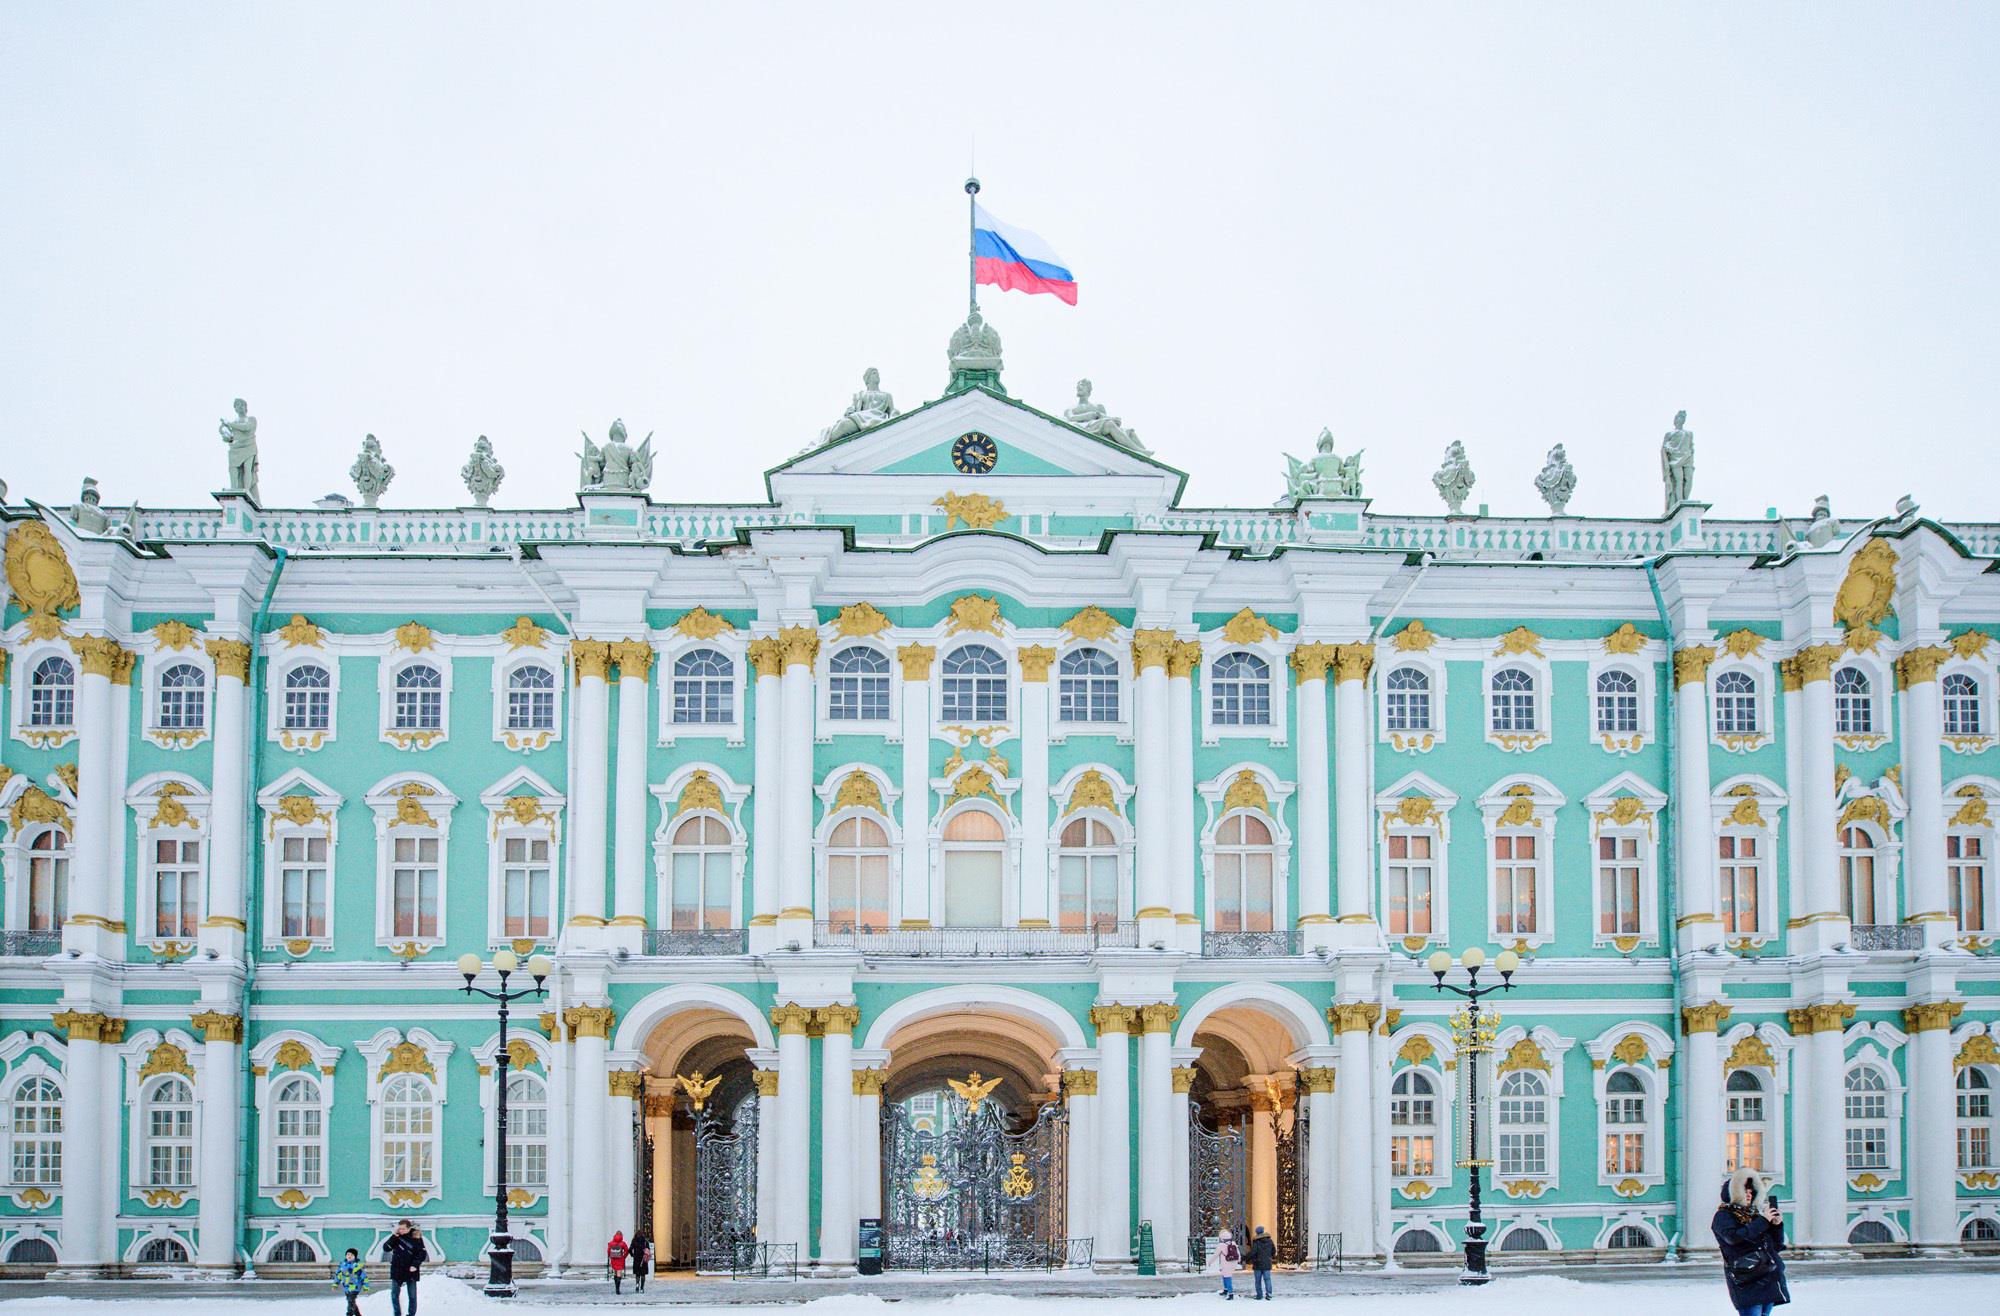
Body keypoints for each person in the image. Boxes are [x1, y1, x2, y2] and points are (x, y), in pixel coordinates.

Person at [1712, 1168, 1789, 1315]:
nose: (1748, 1194)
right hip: (1746, 1278)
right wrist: (1763, 1221)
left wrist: (1776, 1225)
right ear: (1732, 1192)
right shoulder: (1723, 1216)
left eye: (1751, 1191)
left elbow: (1776, 1246)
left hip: (1768, 1276)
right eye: (1744, 1190)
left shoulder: (1755, 1216)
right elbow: (1734, 1239)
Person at [383, 1220, 429, 1316]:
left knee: (412, 1295)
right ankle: (397, 1314)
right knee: (394, 1295)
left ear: (408, 1228)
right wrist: (394, 1236)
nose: (401, 1230)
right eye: (399, 1228)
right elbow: (386, 1248)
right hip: (397, 1269)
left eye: (403, 1229)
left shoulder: (415, 1237)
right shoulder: (396, 1237)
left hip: (411, 1270)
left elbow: (422, 1254)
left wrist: (415, 1265)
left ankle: (411, 1314)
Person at [331, 1247, 368, 1316]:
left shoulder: (358, 1266)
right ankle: (358, 1314)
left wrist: (365, 1287)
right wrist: (335, 1285)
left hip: (355, 1287)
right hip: (346, 1287)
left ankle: (349, 1314)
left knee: (351, 1301)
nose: (349, 1256)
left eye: (351, 1255)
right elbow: (338, 1276)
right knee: (351, 1302)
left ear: (355, 1257)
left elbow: (364, 1277)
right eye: (348, 1254)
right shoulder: (343, 1266)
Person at [1244, 1225, 1275, 1300]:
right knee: (1267, 1279)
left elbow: (1253, 1252)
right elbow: (1274, 1250)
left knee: (1258, 1280)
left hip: (1258, 1263)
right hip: (1267, 1263)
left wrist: (1245, 1258)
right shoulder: (1269, 1240)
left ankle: (1259, 1295)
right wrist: (1270, 1257)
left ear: (1257, 1232)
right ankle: (1269, 1294)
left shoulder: (1256, 1241)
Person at [1215, 1228, 1241, 1299]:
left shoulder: (1221, 1245)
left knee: (1227, 1277)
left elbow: (1215, 1255)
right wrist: (1239, 1260)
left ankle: (1231, 1293)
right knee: (1225, 1276)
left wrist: (1209, 1262)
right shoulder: (1233, 1243)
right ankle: (1226, 1290)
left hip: (1226, 1263)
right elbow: (1238, 1253)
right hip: (1233, 1262)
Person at [628, 1228, 651, 1292]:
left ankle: (637, 1285)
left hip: (636, 1259)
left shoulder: (634, 1241)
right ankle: (642, 1287)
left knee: (637, 1274)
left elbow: (629, 1249)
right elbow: (648, 1250)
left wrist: (633, 1255)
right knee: (643, 1274)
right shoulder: (645, 1242)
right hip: (643, 1260)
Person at [607, 1229, 629, 1294]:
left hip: (613, 1259)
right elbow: (627, 1251)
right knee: (619, 1273)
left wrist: (610, 1256)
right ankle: (618, 1289)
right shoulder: (623, 1243)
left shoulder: (611, 1243)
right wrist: (624, 1257)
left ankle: (616, 1287)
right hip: (620, 1259)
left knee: (615, 1272)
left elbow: (608, 1251)